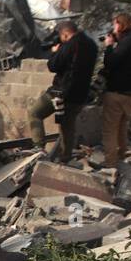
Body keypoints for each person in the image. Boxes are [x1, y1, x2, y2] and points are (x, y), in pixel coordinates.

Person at [29, 20, 98, 162]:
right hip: (80, 95)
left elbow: (53, 65)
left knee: (35, 113)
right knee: (67, 126)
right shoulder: (91, 45)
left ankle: (38, 148)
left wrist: (55, 52)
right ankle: (64, 159)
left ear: (65, 34)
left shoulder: (71, 45)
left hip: (61, 93)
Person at [99, 13, 131, 167]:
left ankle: (110, 163)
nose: (114, 28)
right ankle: (121, 158)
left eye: (115, 24)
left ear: (121, 25)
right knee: (122, 126)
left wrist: (109, 46)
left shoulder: (128, 41)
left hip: (117, 89)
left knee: (110, 129)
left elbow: (111, 62)